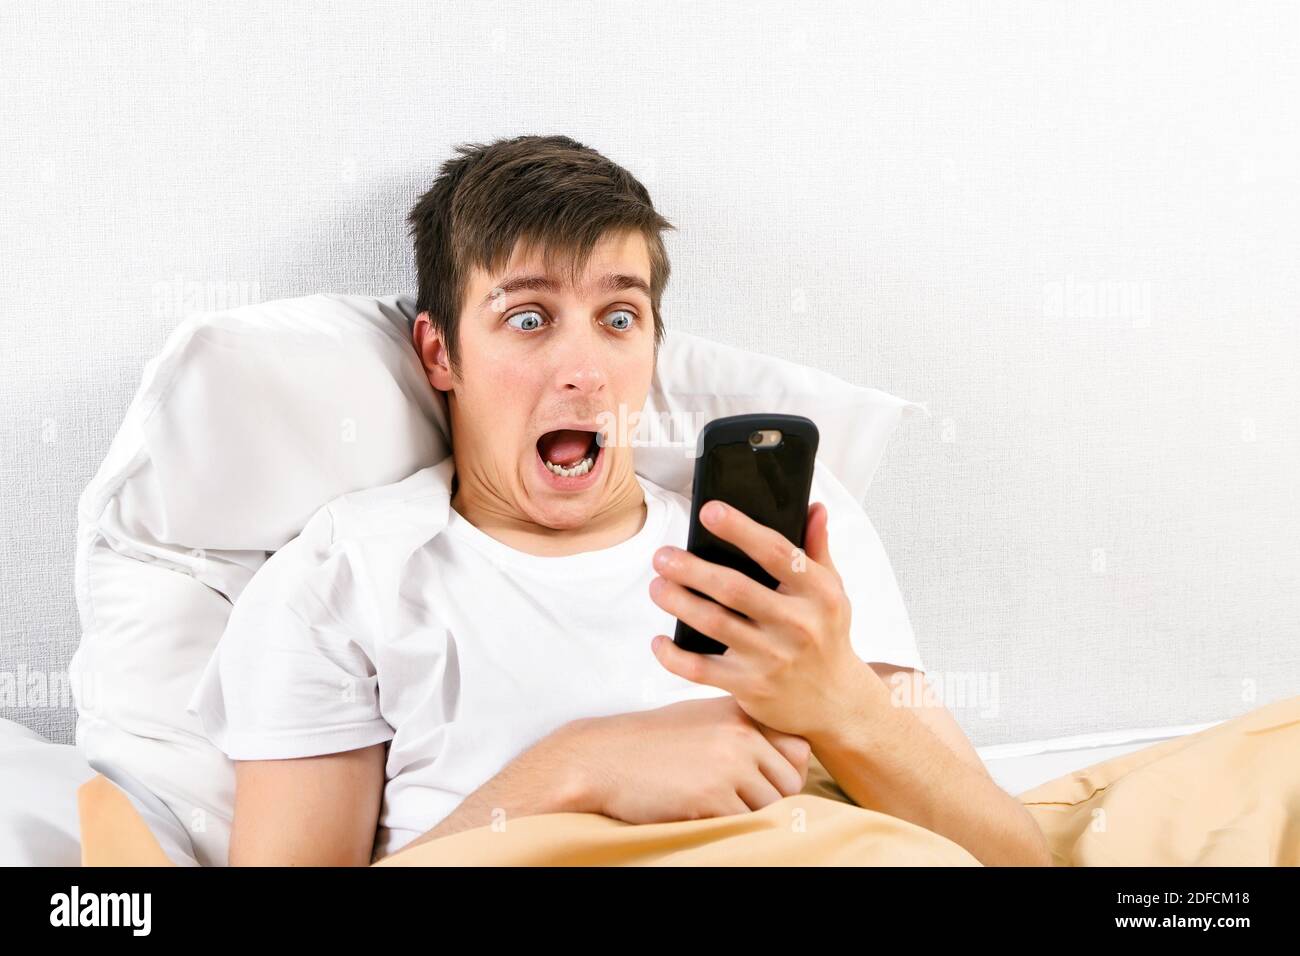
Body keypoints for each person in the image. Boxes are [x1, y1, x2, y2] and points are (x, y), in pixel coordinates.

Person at [188, 134, 1051, 867]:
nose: (585, 370)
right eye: (528, 318)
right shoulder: (349, 578)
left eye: (619, 318)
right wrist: (576, 769)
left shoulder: (786, 536)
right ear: (440, 354)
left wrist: (841, 701)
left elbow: (1015, 854)